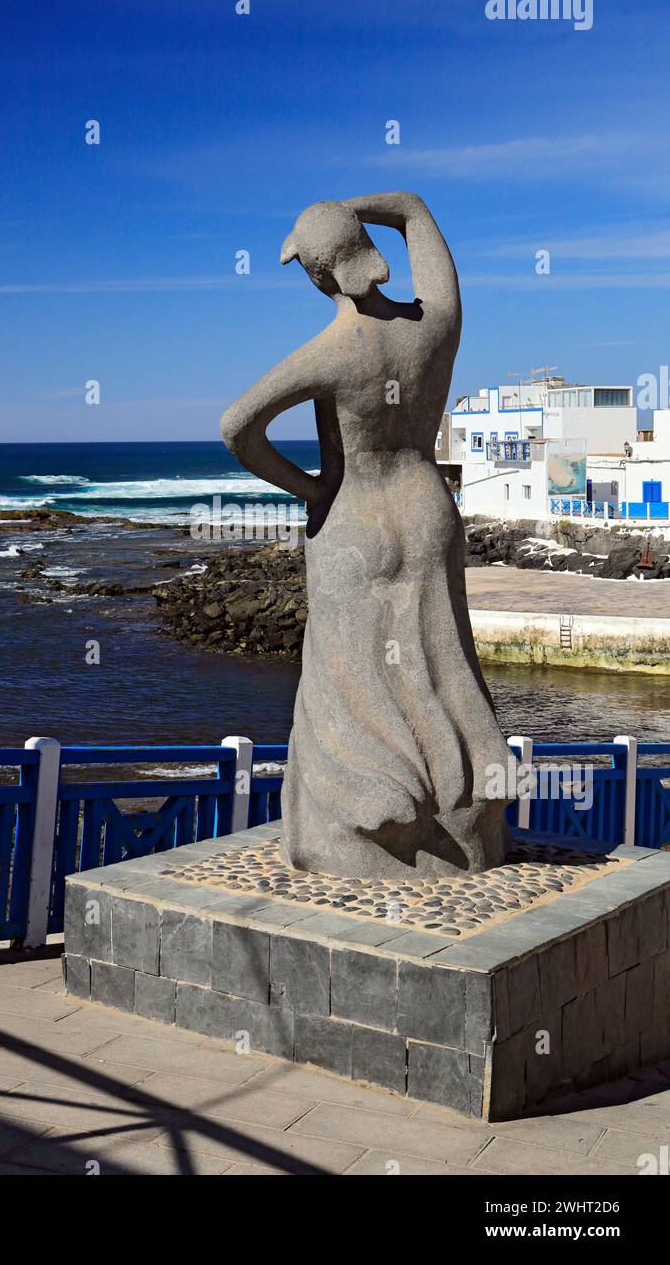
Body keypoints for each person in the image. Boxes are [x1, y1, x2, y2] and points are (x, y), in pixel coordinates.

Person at [220, 193, 512, 878]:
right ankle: (466, 805)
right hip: (426, 511)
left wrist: (311, 490)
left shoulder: (328, 352)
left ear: (318, 275)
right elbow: (412, 210)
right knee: (438, 661)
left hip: (354, 519)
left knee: (348, 677)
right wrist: (349, 208)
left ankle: (370, 812)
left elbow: (237, 427)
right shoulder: (432, 325)